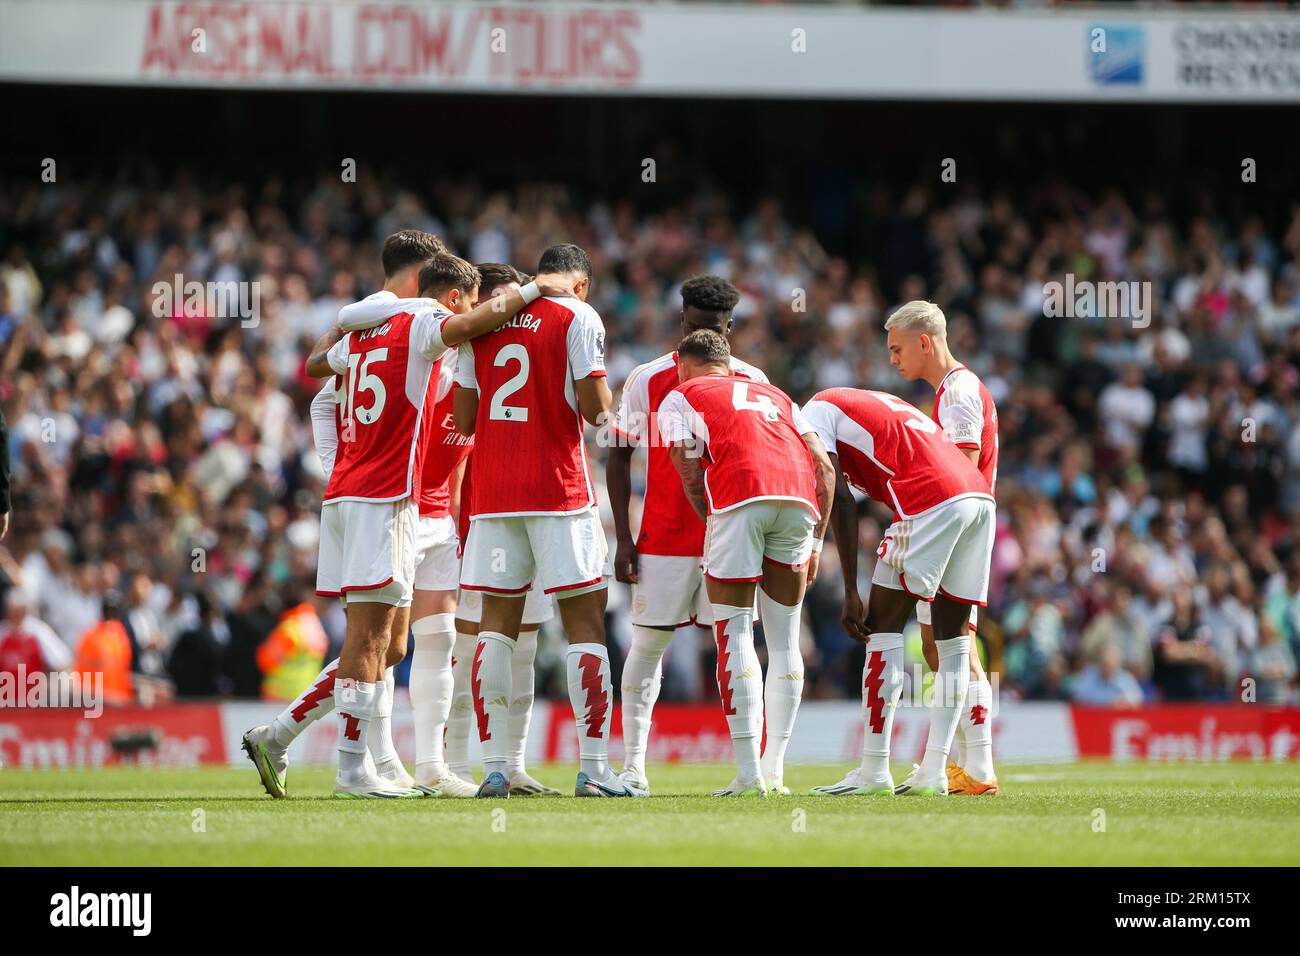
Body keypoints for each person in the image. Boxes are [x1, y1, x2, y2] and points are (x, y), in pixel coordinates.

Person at [453, 243, 631, 798]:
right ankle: (594, 770)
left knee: (496, 628)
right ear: (581, 283)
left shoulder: (480, 322)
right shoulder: (578, 315)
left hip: (496, 495)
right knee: (584, 625)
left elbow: (462, 419)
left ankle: (498, 769)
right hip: (559, 491)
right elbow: (595, 410)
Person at [608, 275, 770, 794]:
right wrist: (625, 539)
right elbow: (617, 453)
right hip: (667, 537)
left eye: (713, 327)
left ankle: (751, 772)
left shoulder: (755, 380)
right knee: (649, 646)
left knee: (737, 645)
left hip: (733, 534)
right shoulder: (647, 379)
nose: (700, 335)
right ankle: (634, 768)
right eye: (695, 326)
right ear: (683, 322)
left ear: (729, 327)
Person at [657, 329, 834, 796]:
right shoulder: (776, 393)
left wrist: (712, 518)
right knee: (785, 638)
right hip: (798, 503)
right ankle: (775, 770)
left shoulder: (681, 394)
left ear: (683, 364)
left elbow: (688, 465)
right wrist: (817, 542)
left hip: (739, 499)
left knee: (733, 632)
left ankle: (747, 774)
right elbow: (825, 467)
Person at [802, 385, 995, 796]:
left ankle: (873, 771)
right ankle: (936, 772)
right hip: (978, 499)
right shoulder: (869, 404)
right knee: (953, 643)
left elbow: (837, 495)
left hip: (933, 499)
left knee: (881, 629)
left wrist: (851, 589)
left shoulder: (812, 413)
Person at [884, 300, 999, 794]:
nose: (892, 359)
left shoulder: (958, 393)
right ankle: (971, 767)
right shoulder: (952, 392)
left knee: (953, 647)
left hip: (956, 533)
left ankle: (975, 767)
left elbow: (963, 471)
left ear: (924, 342)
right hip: (963, 532)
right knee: (946, 646)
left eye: (897, 348)